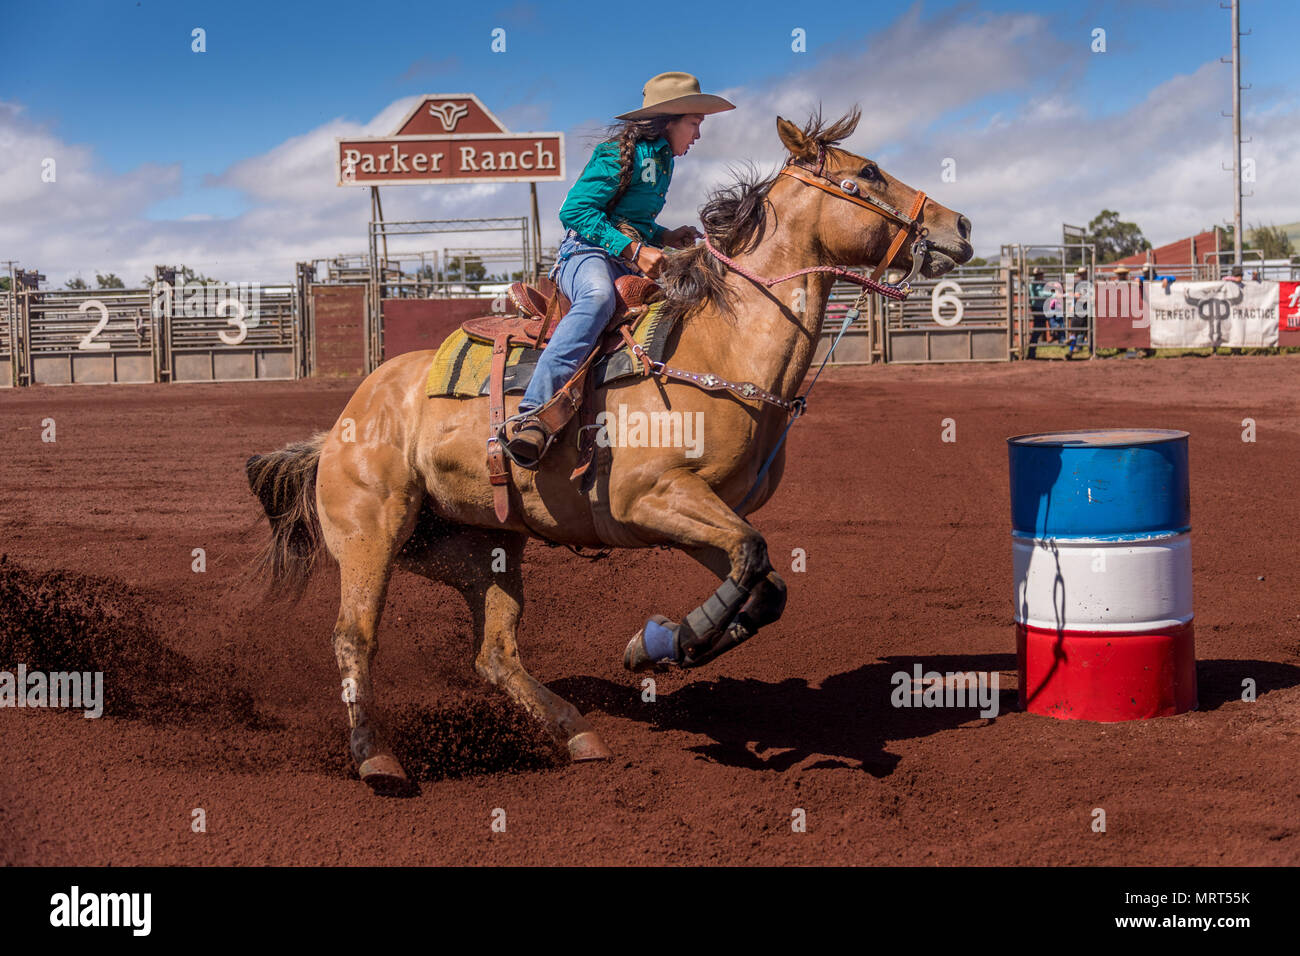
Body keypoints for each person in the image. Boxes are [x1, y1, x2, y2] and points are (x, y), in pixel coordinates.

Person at [502, 72, 736, 467]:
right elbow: (575, 212)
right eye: (694, 124)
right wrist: (634, 249)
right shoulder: (616, 154)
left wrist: (665, 235)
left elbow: (631, 220)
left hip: (625, 256)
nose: (697, 136)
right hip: (584, 255)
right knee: (597, 299)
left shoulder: (663, 161)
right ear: (670, 120)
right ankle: (533, 413)